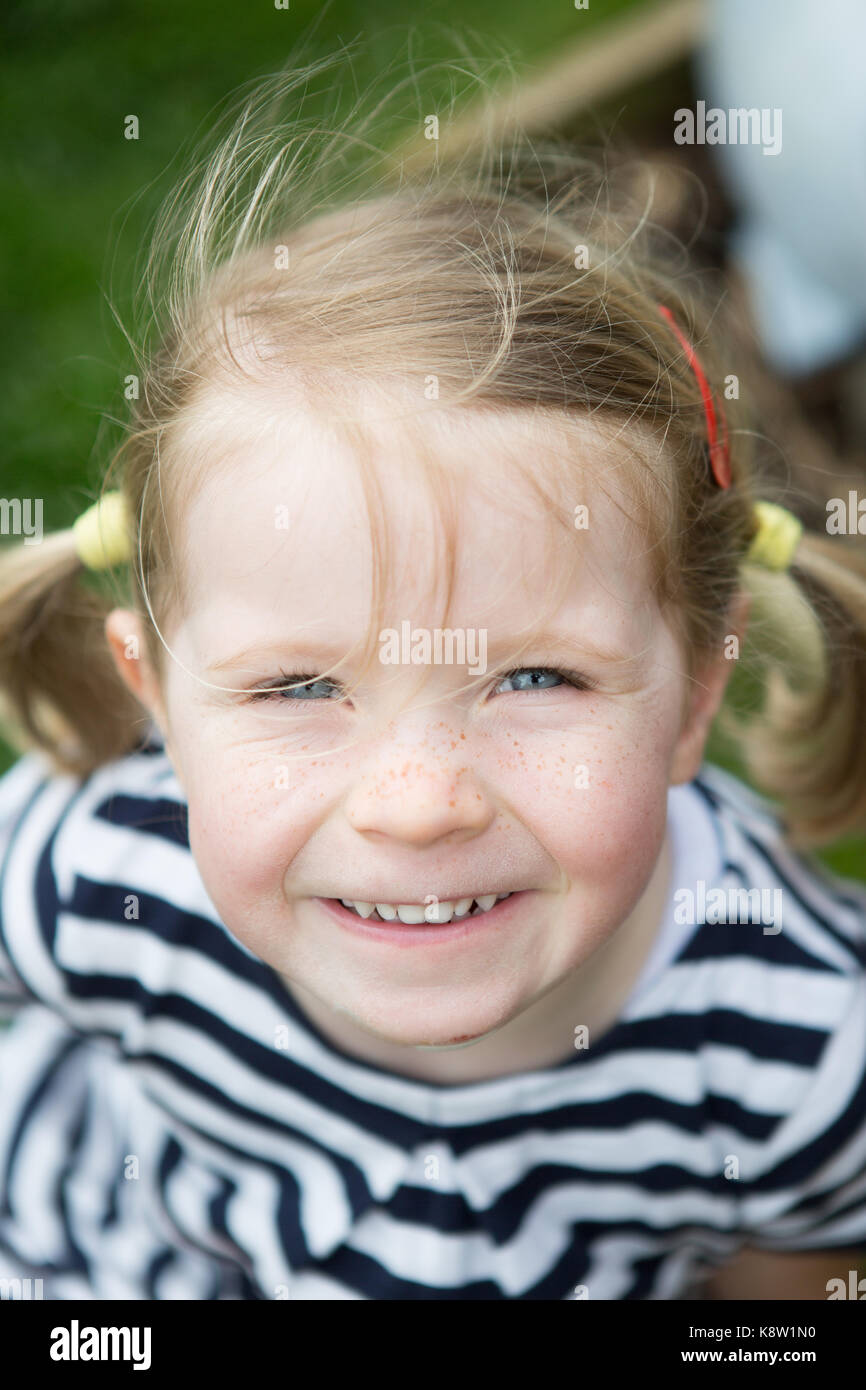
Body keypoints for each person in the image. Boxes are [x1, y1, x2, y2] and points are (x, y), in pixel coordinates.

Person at [1, 57, 865, 1301]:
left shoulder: (804, 1047)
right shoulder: (91, 872)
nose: (415, 803)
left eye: (531, 679)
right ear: (156, 702)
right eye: (297, 688)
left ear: (691, 698)